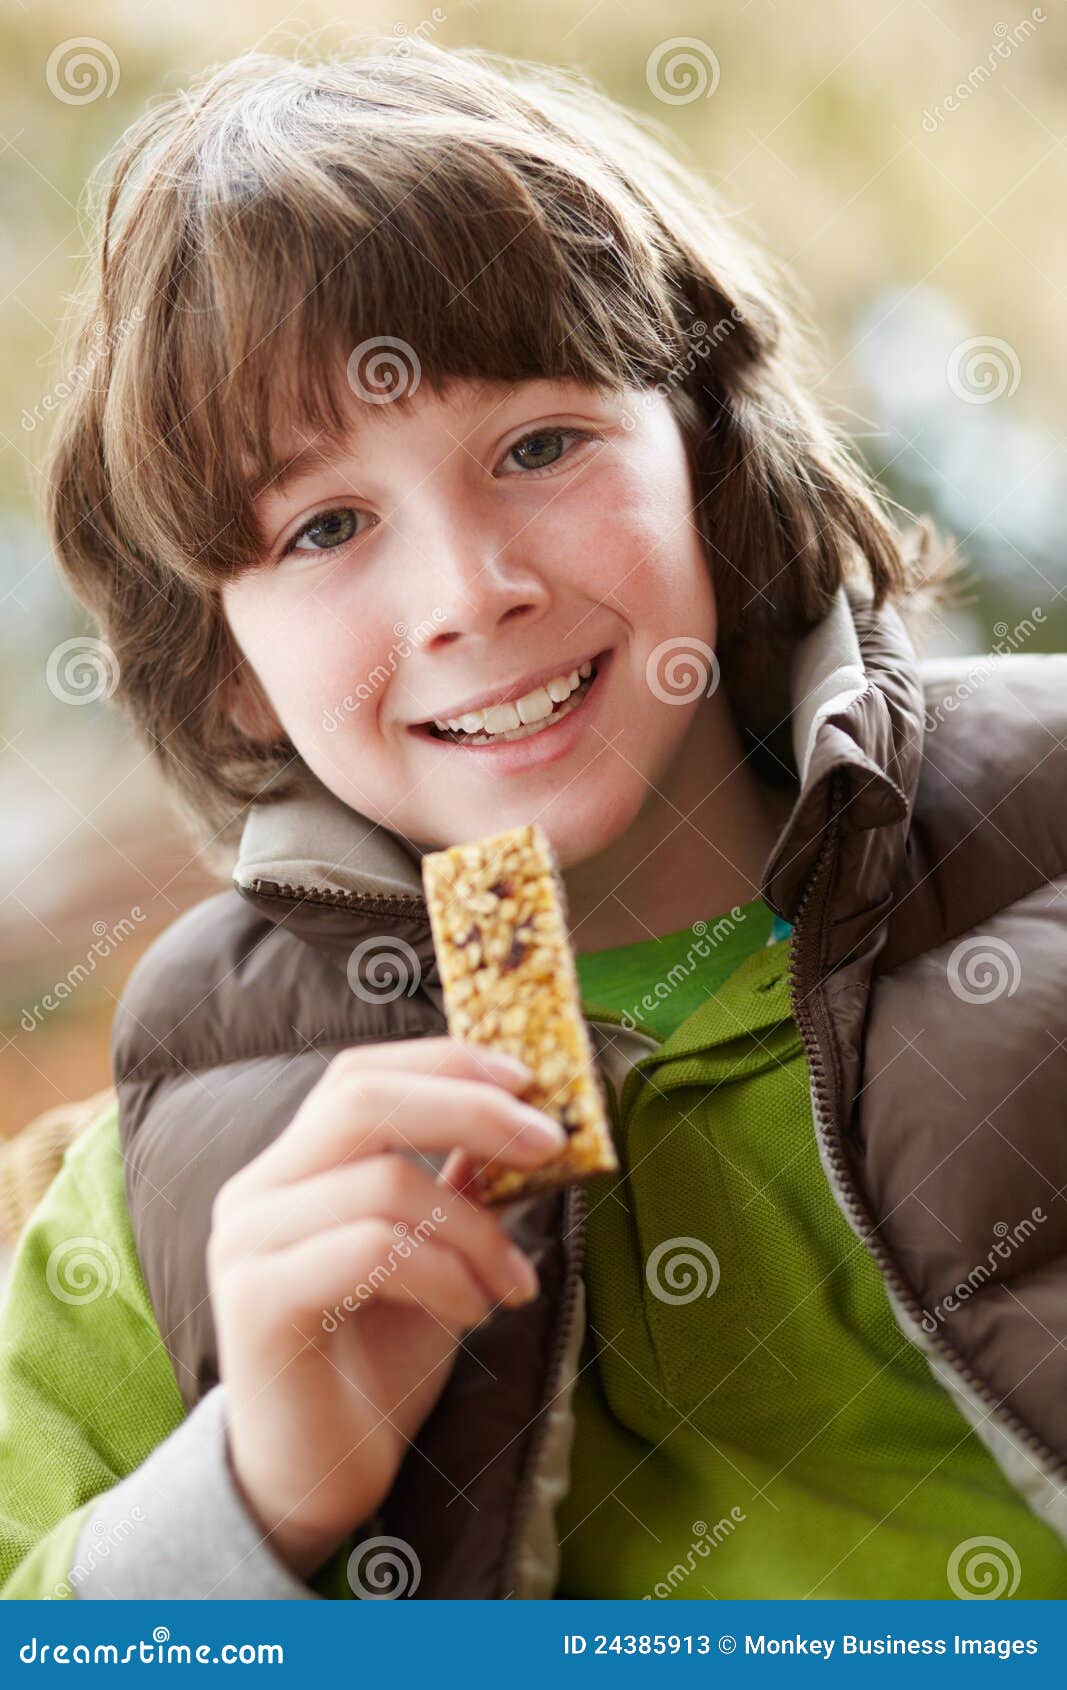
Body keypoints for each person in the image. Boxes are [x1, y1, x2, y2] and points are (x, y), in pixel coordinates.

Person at [3, 36, 1065, 1601]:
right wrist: (258, 1488)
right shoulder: (172, 1172)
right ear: (225, 664)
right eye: (326, 525)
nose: (469, 589)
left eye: (539, 446)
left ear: (706, 462)